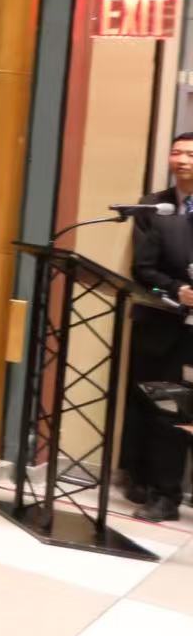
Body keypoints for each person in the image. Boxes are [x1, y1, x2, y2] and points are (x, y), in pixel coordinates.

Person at [125, 133, 193, 522]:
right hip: (166, 322)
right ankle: (162, 493)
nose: (181, 160)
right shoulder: (153, 206)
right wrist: (176, 290)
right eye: (176, 152)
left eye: (189, 154)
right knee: (166, 406)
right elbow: (143, 271)